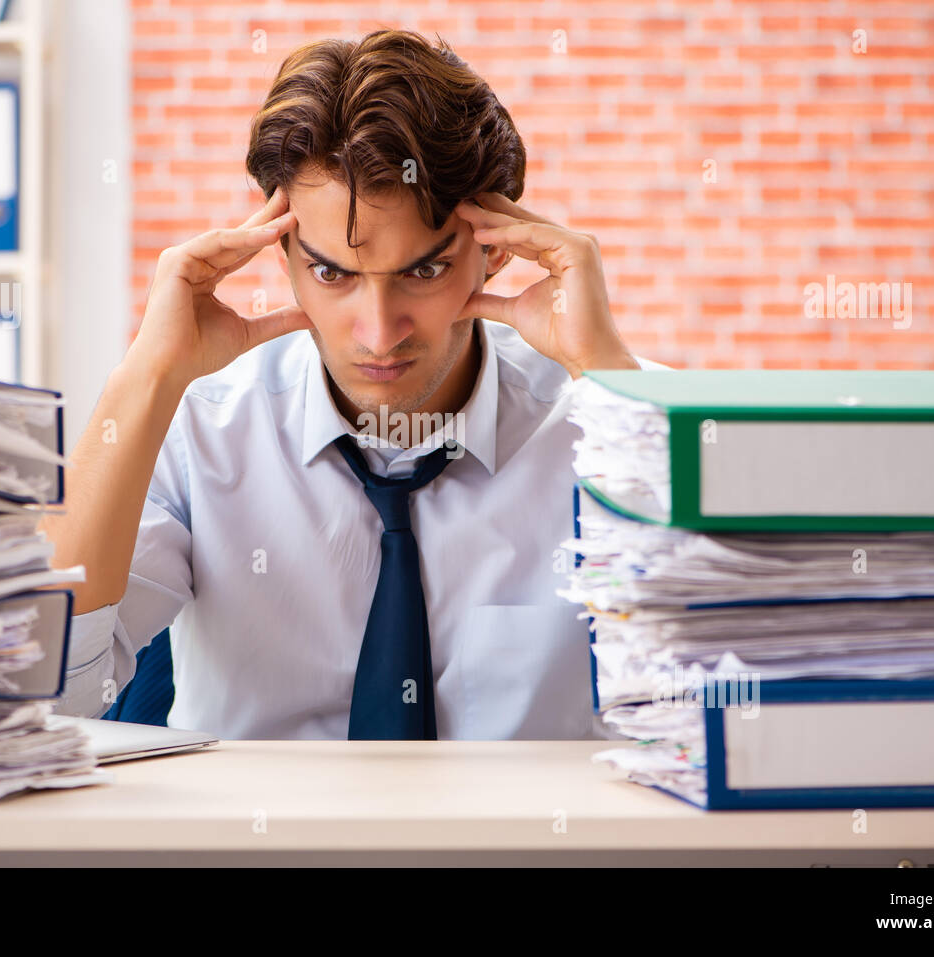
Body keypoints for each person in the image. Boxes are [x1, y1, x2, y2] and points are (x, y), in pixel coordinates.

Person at [42, 28, 659, 740]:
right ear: (281, 252)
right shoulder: (202, 428)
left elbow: (722, 684)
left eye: (421, 271)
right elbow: (48, 693)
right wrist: (145, 377)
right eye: (333, 273)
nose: (377, 331)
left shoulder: (611, 414)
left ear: (494, 251)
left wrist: (610, 377)